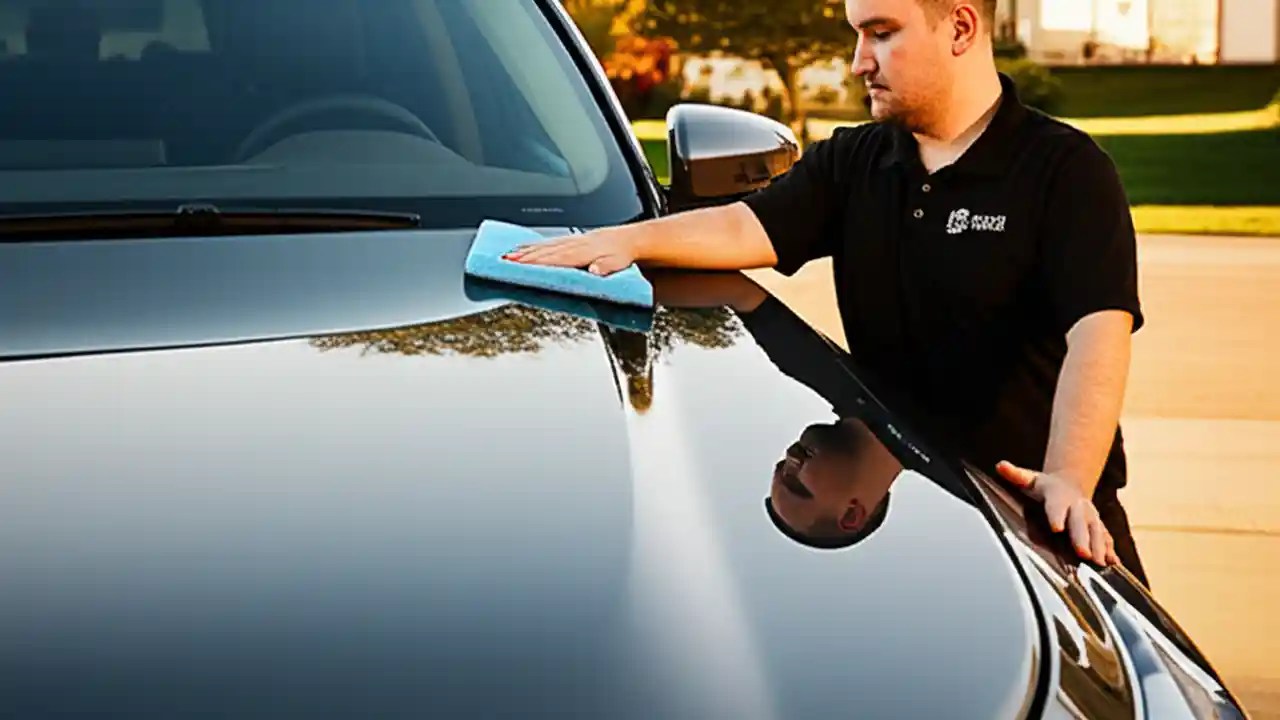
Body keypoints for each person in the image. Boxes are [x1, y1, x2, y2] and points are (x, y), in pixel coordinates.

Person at [509, 0, 1148, 587]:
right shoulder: (856, 161)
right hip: (925, 514)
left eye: (881, 33)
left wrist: (1068, 476)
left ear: (959, 28)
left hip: (1044, 524)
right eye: (857, 34)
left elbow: (1098, 329)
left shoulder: (1066, 172)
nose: (858, 61)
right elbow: (744, 225)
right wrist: (625, 242)